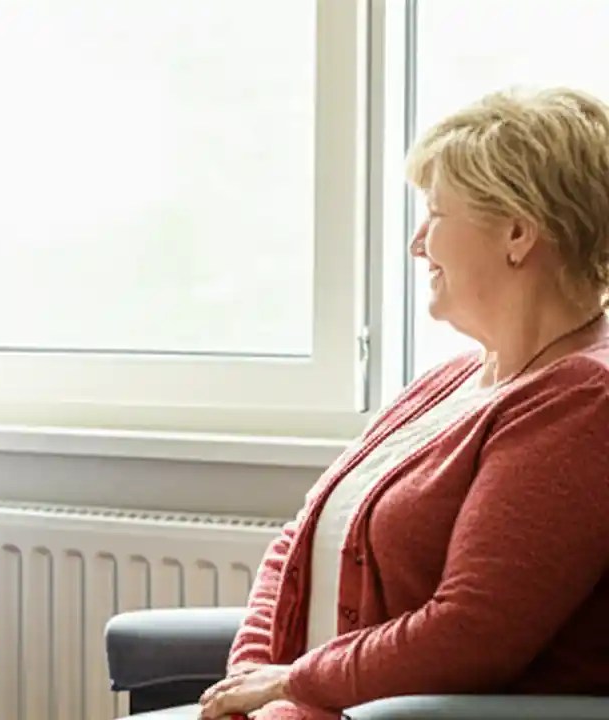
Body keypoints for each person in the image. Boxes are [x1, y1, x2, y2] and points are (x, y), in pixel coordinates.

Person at [197, 86, 609, 719]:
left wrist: (288, 683)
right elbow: (297, 542)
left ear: (519, 232)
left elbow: (469, 633)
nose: (418, 243)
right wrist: (249, 679)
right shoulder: (449, 380)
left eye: (437, 214)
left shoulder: (584, 401)